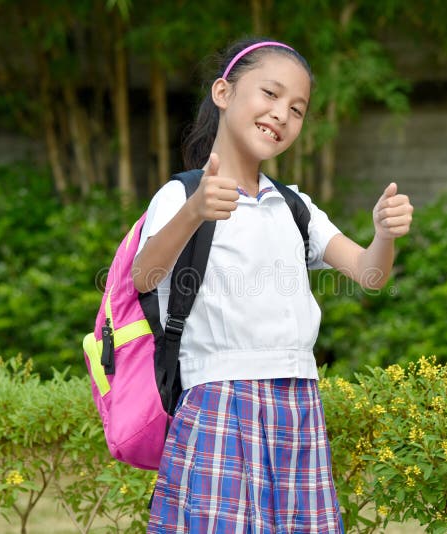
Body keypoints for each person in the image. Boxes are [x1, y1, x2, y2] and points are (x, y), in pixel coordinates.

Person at [132, 37, 413, 533]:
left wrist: (384, 235)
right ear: (223, 92)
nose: (282, 114)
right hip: (218, 401)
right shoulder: (183, 193)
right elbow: (144, 276)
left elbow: (370, 273)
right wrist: (194, 212)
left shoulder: (294, 206)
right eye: (270, 94)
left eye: (297, 109)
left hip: (298, 402)